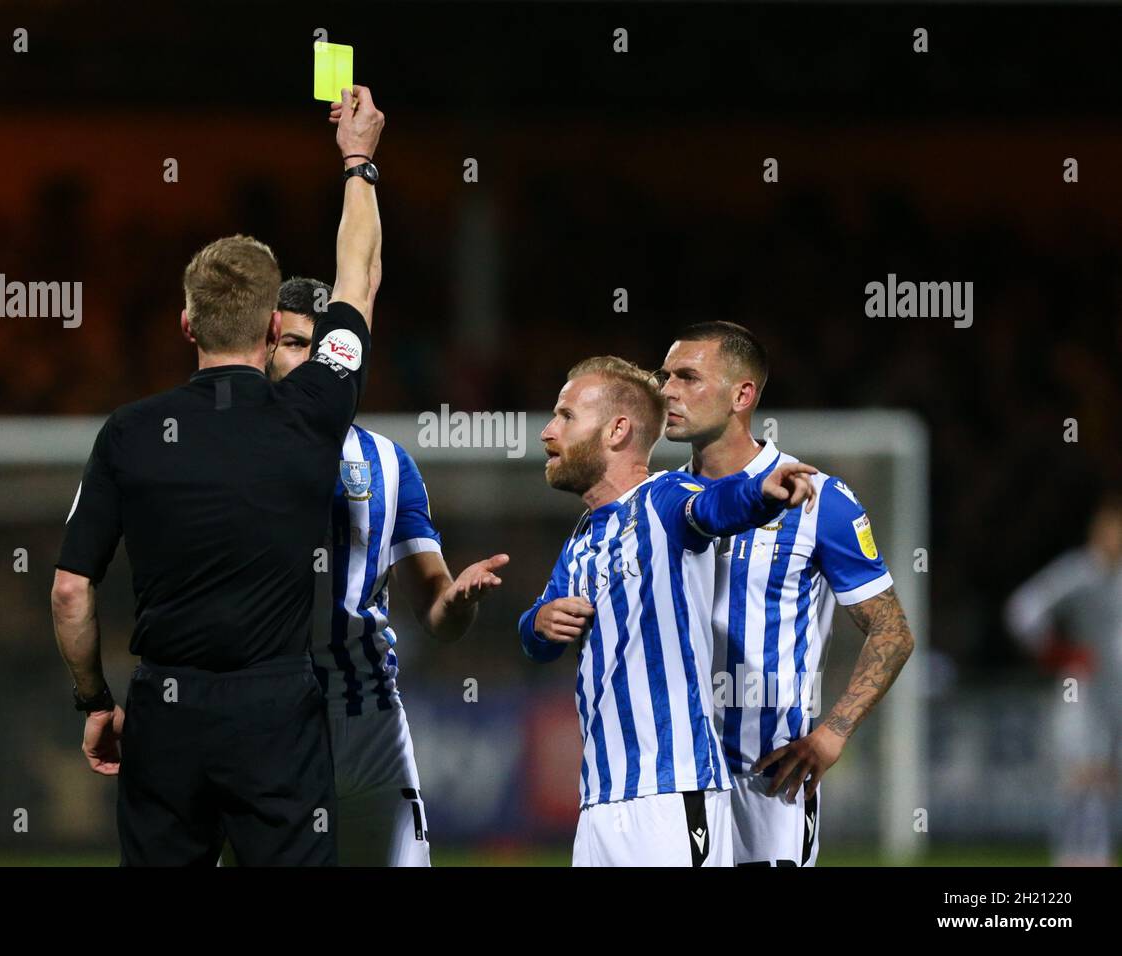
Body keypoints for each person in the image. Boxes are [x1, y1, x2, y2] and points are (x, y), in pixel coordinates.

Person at [50, 86, 385, 865]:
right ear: (275, 329)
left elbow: (70, 589)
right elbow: (358, 279)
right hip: (275, 707)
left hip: (164, 705)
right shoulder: (311, 409)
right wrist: (358, 163)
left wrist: (96, 699)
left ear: (186, 324)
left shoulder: (129, 434)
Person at [519, 355, 817, 866]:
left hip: (672, 794)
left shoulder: (664, 499)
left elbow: (715, 507)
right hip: (597, 802)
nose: (548, 432)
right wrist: (539, 623)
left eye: (566, 416)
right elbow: (537, 641)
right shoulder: (582, 539)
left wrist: (761, 495)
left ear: (617, 430)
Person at [255, 275, 509, 866]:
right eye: (294, 345)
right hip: (267, 719)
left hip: (370, 719)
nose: (312, 362)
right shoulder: (230, 449)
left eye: (324, 348)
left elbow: (437, 614)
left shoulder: (389, 464)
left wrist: (459, 599)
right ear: (265, 351)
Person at [657, 321, 915, 866]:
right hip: (671, 777)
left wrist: (834, 732)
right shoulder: (657, 503)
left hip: (767, 778)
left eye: (687, 377)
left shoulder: (820, 500)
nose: (667, 391)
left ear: (742, 395)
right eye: (664, 377)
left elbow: (892, 630)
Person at [1005, 493, 1122, 866]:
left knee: (1106, 782)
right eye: (1110, 528)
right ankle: (1069, 858)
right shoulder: (1078, 572)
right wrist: (1057, 654)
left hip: (1116, 695)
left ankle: (1098, 858)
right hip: (1083, 692)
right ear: (1097, 530)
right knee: (1078, 778)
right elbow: (1023, 610)